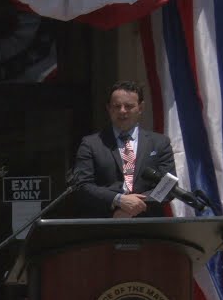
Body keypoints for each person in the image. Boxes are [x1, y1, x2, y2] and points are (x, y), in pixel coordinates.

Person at [73, 81, 177, 219]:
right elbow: (82, 185)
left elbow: (168, 185)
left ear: (140, 108)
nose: (122, 111)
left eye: (129, 106)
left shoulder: (159, 143)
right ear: (109, 108)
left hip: (149, 223)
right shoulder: (91, 144)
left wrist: (133, 206)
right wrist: (118, 199)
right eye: (117, 106)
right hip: (106, 221)